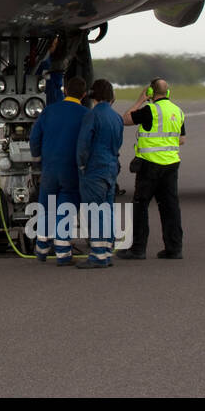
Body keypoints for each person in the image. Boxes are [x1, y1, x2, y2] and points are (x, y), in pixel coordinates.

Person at [116, 78, 186, 260]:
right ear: (168, 93)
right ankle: (174, 248)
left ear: (151, 93)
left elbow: (125, 119)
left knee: (140, 206)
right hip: (171, 165)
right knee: (170, 207)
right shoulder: (177, 111)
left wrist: (140, 100)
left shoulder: (150, 110)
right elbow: (182, 139)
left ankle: (138, 249)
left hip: (150, 165)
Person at [29, 75, 87, 265]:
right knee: (66, 208)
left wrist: (37, 159)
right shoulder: (85, 114)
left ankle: (41, 249)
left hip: (49, 168)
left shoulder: (49, 111)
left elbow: (35, 137)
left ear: (65, 91)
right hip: (70, 169)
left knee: (46, 207)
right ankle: (62, 252)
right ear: (84, 94)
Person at [76, 79, 124, 269]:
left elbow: (83, 145)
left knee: (94, 212)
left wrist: (81, 165)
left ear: (92, 95)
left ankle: (97, 255)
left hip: (95, 168)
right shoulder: (116, 117)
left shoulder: (92, 116)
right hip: (112, 166)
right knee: (107, 210)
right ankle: (106, 252)